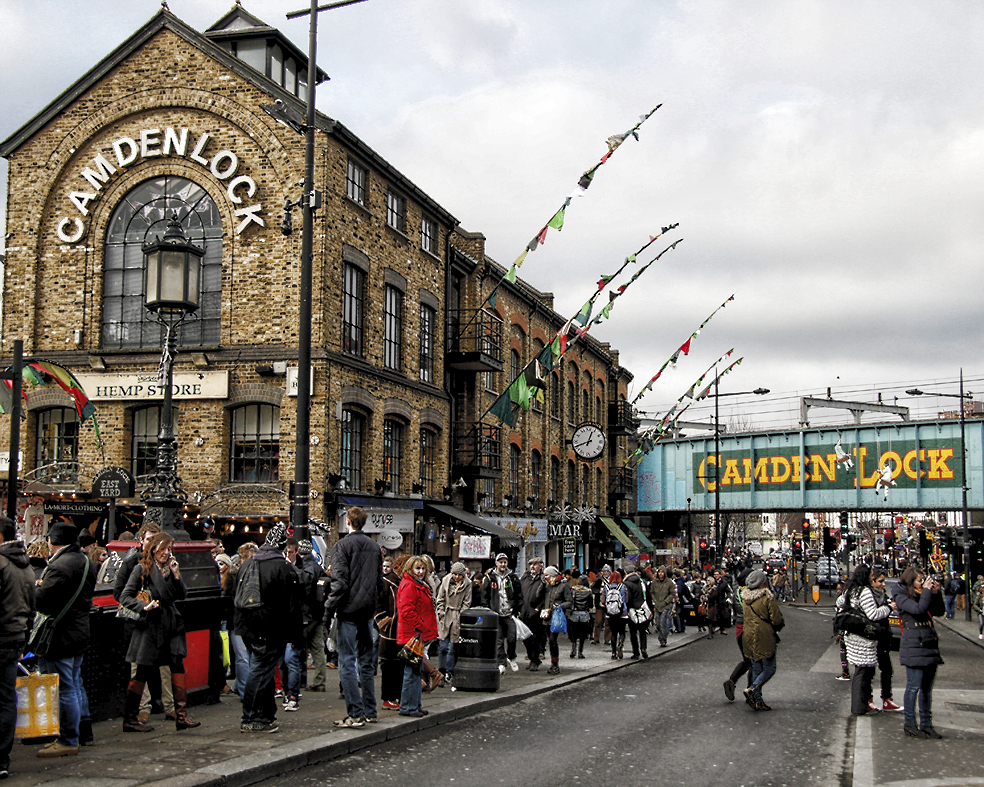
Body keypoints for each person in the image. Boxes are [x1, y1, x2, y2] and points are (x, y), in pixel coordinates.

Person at [119, 532, 201, 732]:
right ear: (153, 549)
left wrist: (177, 575)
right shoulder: (142, 569)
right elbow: (124, 596)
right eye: (162, 549)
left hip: (171, 624)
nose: (166, 553)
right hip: (151, 624)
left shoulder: (171, 569)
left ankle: (181, 716)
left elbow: (183, 594)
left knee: (177, 665)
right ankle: (130, 718)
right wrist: (143, 606)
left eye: (169, 549)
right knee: (143, 670)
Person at [34, 522, 96, 757]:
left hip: (60, 634)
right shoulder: (86, 562)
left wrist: (36, 588)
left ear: (54, 540)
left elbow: (42, 600)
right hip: (80, 630)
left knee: (64, 687)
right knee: (75, 682)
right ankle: (83, 731)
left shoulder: (60, 566)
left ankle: (68, 739)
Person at [235, 524, 303, 733]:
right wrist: (297, 637)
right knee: (260, 671)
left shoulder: (248, 564)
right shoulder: (283, 568)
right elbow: (292, 606)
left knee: (262, 670)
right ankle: (251, 717)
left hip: (246, 626)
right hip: (270, 627)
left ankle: (265, 714)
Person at [324, 506, 383, 728]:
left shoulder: (341, 546)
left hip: (348, 611)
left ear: (348, 521)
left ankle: (355, 713)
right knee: (366, 662)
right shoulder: (374, 547)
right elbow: (379, 581)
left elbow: (339, 583)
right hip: (367, 610)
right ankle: (370, 710)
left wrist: (329, 609)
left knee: (346, 661)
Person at [0, 516, 36, 779]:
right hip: (15, 637)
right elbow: (32, 608)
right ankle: (2, 758)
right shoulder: (26, 567)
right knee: (6, 698)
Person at [893, 566, 945, 738]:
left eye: (923, 580)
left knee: (927, 689)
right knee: (913, 686)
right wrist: (927, 592)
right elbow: (918, 609)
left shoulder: (922, 593)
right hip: (914, 645)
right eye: (919, 580)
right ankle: (909, 724)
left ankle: (926, 724)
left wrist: (936, 593)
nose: (922, 583)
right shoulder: (901, 594)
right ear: (910, 581)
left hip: (928, 643)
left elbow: (938, 611)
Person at [836, 564, 893, 717]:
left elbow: (839, 602)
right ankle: (859, 707)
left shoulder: (850, 589)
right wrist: (889, 608)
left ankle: (861, 705)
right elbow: (873, 614)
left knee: (861, 670)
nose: (872, 577)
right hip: (863, 636)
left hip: (852, 635)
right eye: (871, 574)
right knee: (863, 672)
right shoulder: (864, 591)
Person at [396, 556, 438, 717]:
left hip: (416, 633)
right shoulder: (410, 585)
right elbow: (407, 610)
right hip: (413, 634)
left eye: (423, 569)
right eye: (417, 568)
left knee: (416, 671)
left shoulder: (418, 585)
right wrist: (421, 626)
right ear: (410, 569)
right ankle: (408, 707)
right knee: (412, 672)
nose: (421, 572)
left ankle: (414, 705)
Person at [741, 569, 784, 712]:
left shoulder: (745, 598)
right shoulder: (767, 597)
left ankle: (758, 701)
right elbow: (776, 619)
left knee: (757, 668)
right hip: (764, 635)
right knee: (770, 668)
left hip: (748, 636)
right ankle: (752, 689)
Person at [480, 553, 524, 674]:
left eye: (505, 562)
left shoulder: (513, 577)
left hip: (509, 613)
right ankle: (501, 663)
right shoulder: (490, 577)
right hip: (496, 614)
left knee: (512, 638)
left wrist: (517, 610)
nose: (503, 564)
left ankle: (512, 657)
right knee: (498, 641)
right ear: (496, 563)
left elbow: (519, 595)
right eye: (501, 562)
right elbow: (484, 595)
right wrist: (488, 610)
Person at [295, 539, 327, 694]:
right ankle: (319, 682)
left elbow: (304, 593)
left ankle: (297, 681)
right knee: (318, 648)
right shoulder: (317, 566)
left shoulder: (305, 568)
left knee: (297, 648)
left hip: (307, 615)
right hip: (318, 613)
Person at [376, 555, 405, 710]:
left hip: (401, 630)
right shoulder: (387, 582)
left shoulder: (402, 583)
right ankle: (388, 698)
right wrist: (384, 621)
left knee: (398, 665)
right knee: (389, 665)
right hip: (390, 631)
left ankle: (396, 696)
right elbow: (378, 604)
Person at [435, 561, 472, 683]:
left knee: (452, 647)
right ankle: (441, 671)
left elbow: (467, 602)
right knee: (443, 647)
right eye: (455, 574)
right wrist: (441, 613)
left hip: (456, 617)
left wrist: (460, 616)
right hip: (445, 616)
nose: (456, 577)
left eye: (459, 575)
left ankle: (449, 672)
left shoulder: (467, 584)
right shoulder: (445, 581)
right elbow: (440, 598)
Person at [871, 570, 902, 712]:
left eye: (883, 581)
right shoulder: (869, 596)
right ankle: (868, 699)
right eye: (880, 581)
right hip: (873, 637)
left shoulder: (882, 595)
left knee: (887, 669)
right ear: (872, 581)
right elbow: (873, 615)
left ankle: (887, 699)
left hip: (883, 636)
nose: (883, 584)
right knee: (869, 670)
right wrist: (888, 608)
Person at [723, 567, 752, 703]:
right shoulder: (749, 594)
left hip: (739, 628)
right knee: (753, 662)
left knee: (747, 660)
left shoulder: (736, 592)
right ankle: (751, 691)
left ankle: (731, 681)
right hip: (749, 627)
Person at [541, 566, 572, 674]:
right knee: (549, 641)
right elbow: (538, 596)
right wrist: (542, 584)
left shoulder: (563, 586)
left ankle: (555, 664)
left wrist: (559, 606)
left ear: (553, 575)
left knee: (552, 640)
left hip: (556, 617)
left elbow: (569, 602)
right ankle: (553, 663)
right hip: (547, 617)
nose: (545, 577)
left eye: (547, 575)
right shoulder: (547, 586)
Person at [519, 557, 547, 670]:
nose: (532, 567)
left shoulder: (543, 579)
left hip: (535, 614)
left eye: (535, 564)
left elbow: (546, 596)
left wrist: (539, 608)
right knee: (526, 638)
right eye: (531, 564)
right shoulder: (525, 578)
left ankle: (535, 660)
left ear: (541, 566)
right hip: (524, 612)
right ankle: (532, 658)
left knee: (535, 638)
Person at [622, 563, 650, 659]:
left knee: (633, 632)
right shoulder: (642, 582)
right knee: (643, 631)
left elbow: (627, 599)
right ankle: (644, 649)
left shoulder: (626, 584)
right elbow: (648, 597)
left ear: (626, 572)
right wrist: (650, 610)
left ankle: (636, 652)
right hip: (643, 608)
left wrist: (627, 611)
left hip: (632, 610)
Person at [568, 576, 594, 658]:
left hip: (575, 612)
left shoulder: (573, 590)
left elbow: (570, 601)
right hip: (584, 613)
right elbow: (591, 604)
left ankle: (573, 648)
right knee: (583, 634)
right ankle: (580, 652)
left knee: (574, 633)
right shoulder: (588, 592)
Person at [649, 567, 675, 648]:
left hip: (665, 605)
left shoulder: (669, 582)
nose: (660, 574)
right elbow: (652, 592)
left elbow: (672, 593)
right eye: (659, 572)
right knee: (657, 624)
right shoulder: (654, 582)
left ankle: (663, 639)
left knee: (662, 622)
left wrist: (666, 601)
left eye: (662, 572)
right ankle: (661, 637)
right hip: (657, 605)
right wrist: (655, 601)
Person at [605, 570, 628, 659]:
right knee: (622, 631)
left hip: (610, 613)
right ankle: (620, 643)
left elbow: (603, 600)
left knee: (613, 633)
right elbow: (626, 599)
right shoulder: (623, 587)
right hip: (622, 612)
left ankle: (613, 653)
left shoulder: (606, 587)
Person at [591, 565, 612, 644]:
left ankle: (607, 639)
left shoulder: (612, 580)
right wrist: (598, 592)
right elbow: (593, 588)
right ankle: (596, 638)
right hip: (599, 603)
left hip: (609, 604)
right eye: (604, 571)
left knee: (608, 622)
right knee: (598, 622)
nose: (606, 573)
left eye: (607, 571)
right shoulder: (599, 580)